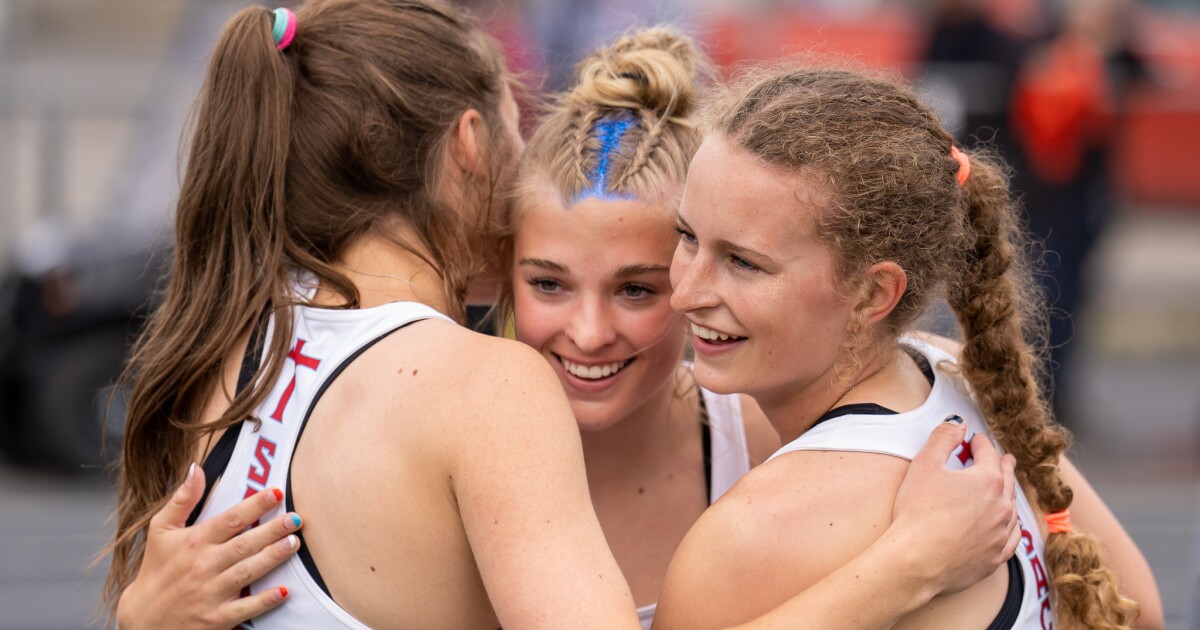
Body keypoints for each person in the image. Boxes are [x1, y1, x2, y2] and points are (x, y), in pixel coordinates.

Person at [105, 5, 1021, 628]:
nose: (586, 332)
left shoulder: (234, 347)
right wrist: (911, 564)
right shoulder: (482, 386)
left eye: (638, 284)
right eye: (513, 122)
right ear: (471, 142)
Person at [655, 65, 1163, 629]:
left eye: (742, 262)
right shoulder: (948, 368)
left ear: (874, 293)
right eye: (687, 237)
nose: (685, 292)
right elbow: (1138, 611)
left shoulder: (755, 532)